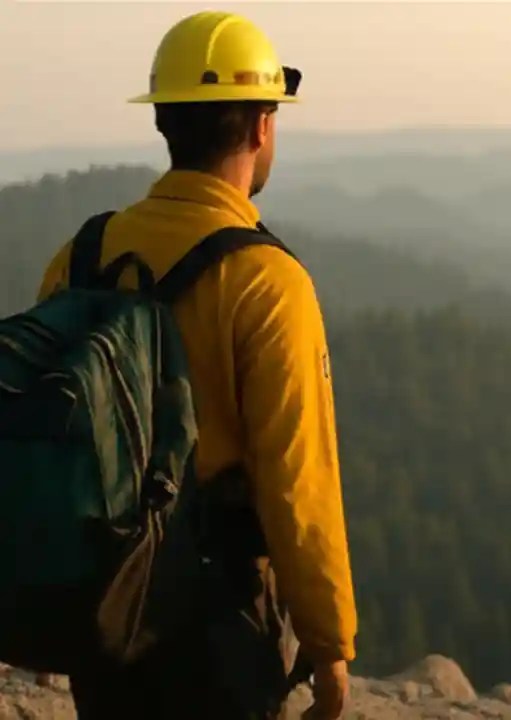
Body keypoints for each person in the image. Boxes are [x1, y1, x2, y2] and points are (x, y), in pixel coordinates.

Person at [33, 10, 357, 720]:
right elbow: (297, 479)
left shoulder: (81, 257)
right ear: (262, 125)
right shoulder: (267, 282)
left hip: (102, 609)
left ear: (163, 121)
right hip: (216, 619)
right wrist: (329, 641)